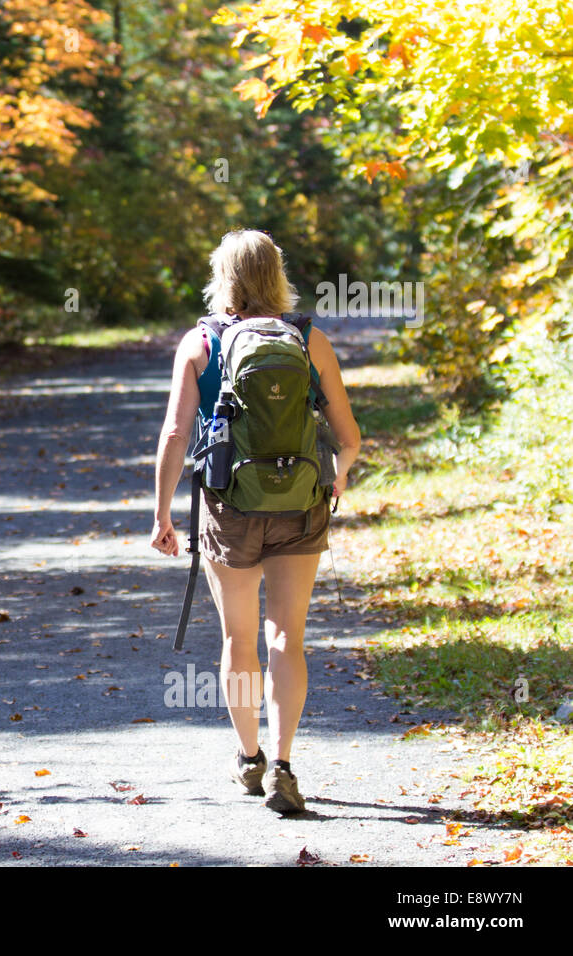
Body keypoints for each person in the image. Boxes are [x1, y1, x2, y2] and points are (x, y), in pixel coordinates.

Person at [149, 229, 361, 814]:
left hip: (230, 507)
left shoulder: (199, 343)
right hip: (300, 503)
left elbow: (173, 433)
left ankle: (249, 759)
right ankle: (286, 767)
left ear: (224, 277)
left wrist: (162, 512)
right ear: (278, 276)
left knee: (239, 639)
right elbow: (349, 438)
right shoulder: (310, 340)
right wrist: (334, 475)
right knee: (287, 637)